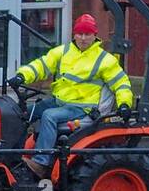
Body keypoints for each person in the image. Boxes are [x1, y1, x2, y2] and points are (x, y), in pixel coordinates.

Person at [8, 13, 134, 178]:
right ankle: (11, 154)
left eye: (87, 34)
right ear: (74, 34)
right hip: (59, 101)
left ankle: (41, 163)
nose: (83, 38)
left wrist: (124, 104)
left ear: (95, 36)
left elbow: (121, 84)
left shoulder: (105, 60)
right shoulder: (63, 51)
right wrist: (22, 76)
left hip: (82, 107)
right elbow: (41, 65)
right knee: (24, 113)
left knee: (49, 116)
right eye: (80, 34)